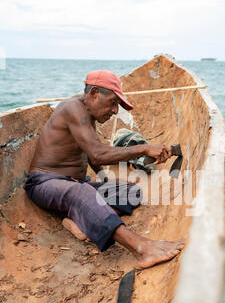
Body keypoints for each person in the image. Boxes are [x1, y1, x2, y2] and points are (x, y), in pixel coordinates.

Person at [23, 70, 185, 269]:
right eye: (112, 102)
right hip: (44, 183)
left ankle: (80, 221)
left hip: (76, 185)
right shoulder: (72, 108)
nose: (115, 111)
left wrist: (106, 182)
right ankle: (142, 249)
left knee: (131, 192)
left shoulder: (87, 114)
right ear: (93, 93)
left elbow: (92, 156)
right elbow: (98, 153)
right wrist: (144, 147)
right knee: (83, 193)